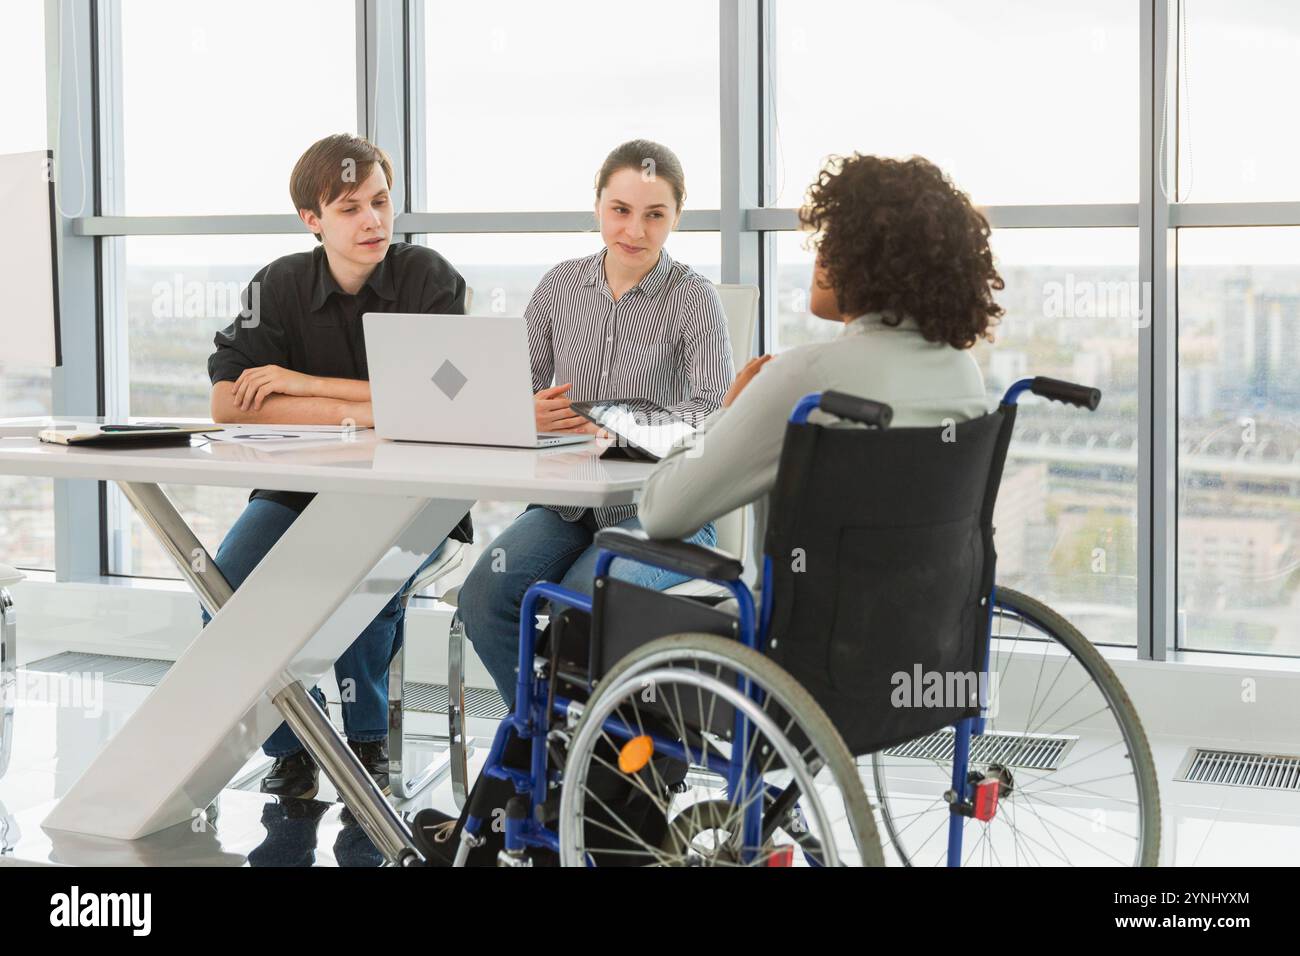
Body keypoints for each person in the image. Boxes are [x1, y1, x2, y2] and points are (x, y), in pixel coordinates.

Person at [205, 133, 471, 798]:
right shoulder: (278, 284)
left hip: (416, 494)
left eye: (380, 202)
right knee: (225, 587)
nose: (373, 220)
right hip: (300, 489)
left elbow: (444, 406)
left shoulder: (429, 279)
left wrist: (297, 384)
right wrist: (381, 403)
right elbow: (227, 406)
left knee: (363, 583)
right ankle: (292, 739)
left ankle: (367, 742)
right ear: (312, 220)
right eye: (350, 208)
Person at [457, 139, 734, 705]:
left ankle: (592, 756)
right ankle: (549, 741)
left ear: (677, 216)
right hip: (566, 506)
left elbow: (708, 413)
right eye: (620, 210)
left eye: (655, 215)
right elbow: (513, 390)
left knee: (583, 604)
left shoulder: (694, 300)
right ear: (598, 207)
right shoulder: (560, 287)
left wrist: (615, 428)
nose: (634, 229)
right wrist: (525, 410)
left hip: (661, 513)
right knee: (484, 597)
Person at [640, 154, 1003, 571]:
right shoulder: (962, 372)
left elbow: (660, 510)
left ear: (858, 257)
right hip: (927, 627)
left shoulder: (805, 382)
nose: (818, 257)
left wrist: (726, 410)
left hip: (800, 631)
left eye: (830, 240)